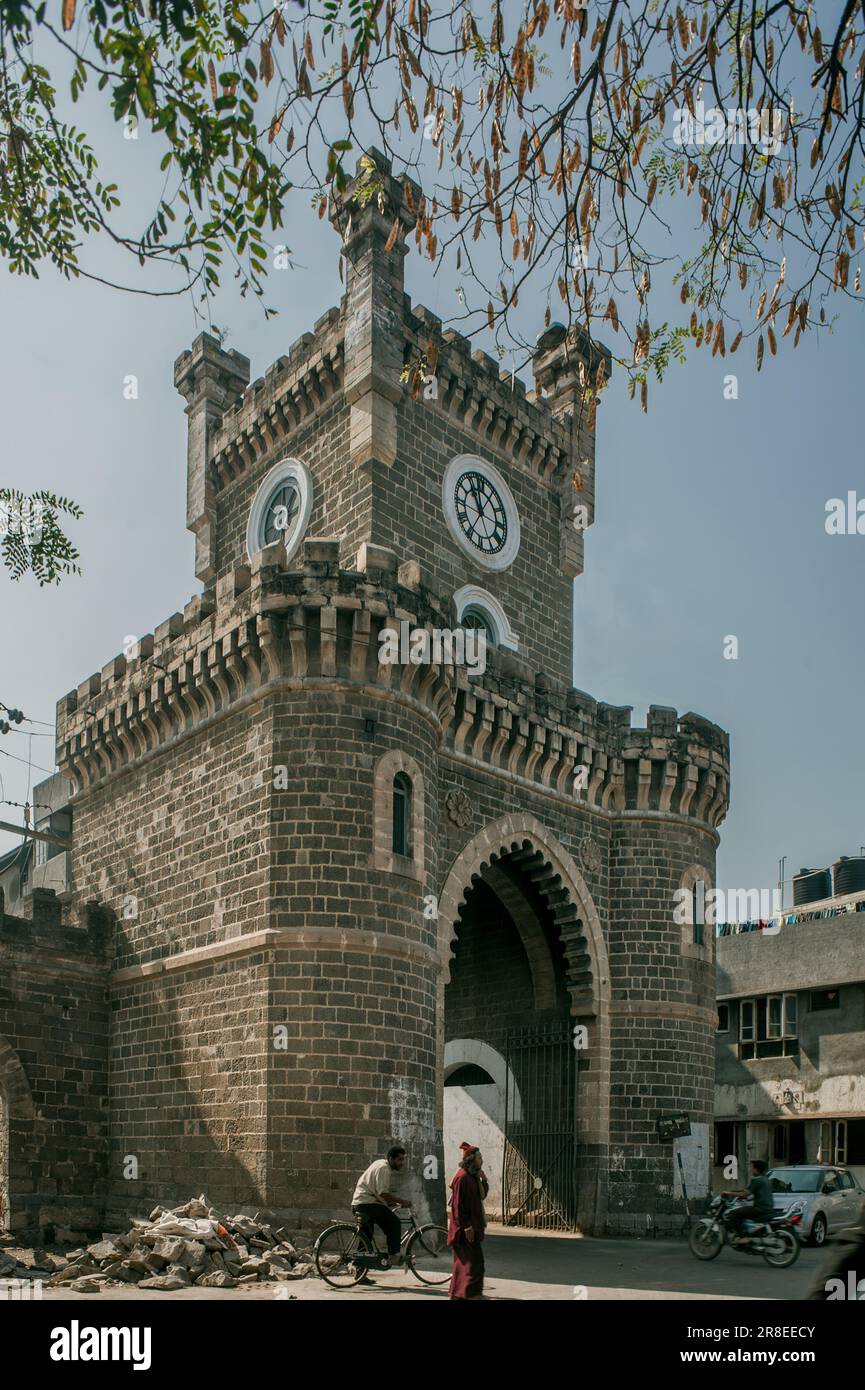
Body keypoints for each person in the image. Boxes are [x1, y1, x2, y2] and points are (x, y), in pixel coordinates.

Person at [351, 1145, 412, 1270]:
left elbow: (377, 1191)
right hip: (367, 1204)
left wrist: (391, 1203)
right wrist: (402, 1201)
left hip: (360, 1203)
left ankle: (360, 1271)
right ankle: (393, 1255)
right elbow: (382, 1193)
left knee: (366, 1238)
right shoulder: (384, 1168)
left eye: (402, 1160)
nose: (401, 1163)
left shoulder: (379, 1163)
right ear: (391, 1158)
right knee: (394, 1223)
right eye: (399, 1160)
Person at [448, 1141, 487, 1299]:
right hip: (464, 1230)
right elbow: (458, 1206)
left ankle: (457, 1294)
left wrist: (484, 1181)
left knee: (463, 1264)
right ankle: (470, 1294)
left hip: (472, 1226)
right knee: (473, 1264)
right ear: (471, 1160)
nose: (481, 1160)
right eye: (479, 1158)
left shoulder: (473, 1177)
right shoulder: (463, 1178)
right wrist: (467, 1227)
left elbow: (481, 1196)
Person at [728, 1158, 775, 1241]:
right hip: (769, 1208)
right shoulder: (766, 1179)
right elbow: (757, 1193)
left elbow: (744, 1193)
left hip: (759, 1209)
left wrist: (728, 1193)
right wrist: (749, 1197)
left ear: (756, 1169)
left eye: (752, 1167)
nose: (751, 1170)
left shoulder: (756, 1180)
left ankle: (742, 1237)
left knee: (733, 1213)